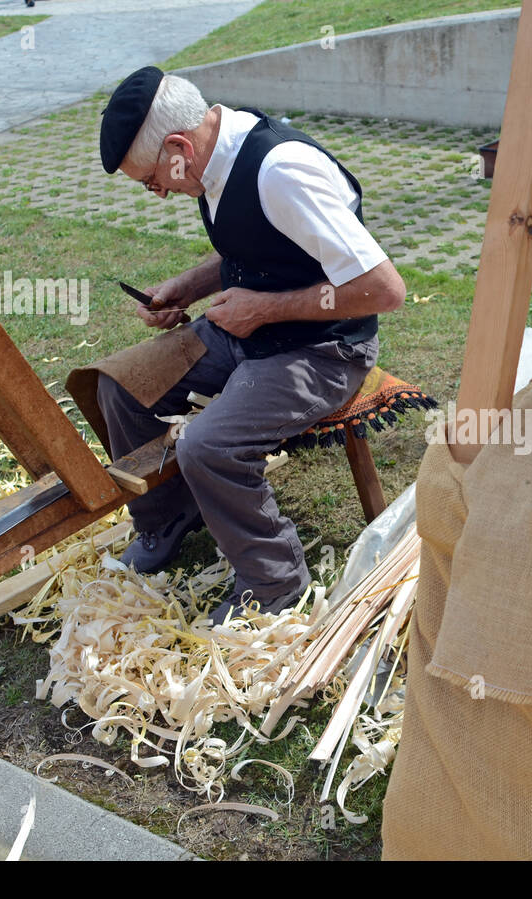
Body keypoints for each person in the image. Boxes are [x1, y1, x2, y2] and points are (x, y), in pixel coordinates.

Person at [95, 66, 405, 623]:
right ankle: (171, 516)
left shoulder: (281, 170)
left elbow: (382, 289)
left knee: (207, 446)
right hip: (250, 328)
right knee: (122, 387)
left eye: (151, 180)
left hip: (322, 348)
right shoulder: (212, 161)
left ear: (177, 146)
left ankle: (274, 581)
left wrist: (265, 307)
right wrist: (184, 288)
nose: (159, 193)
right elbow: (256, 242)